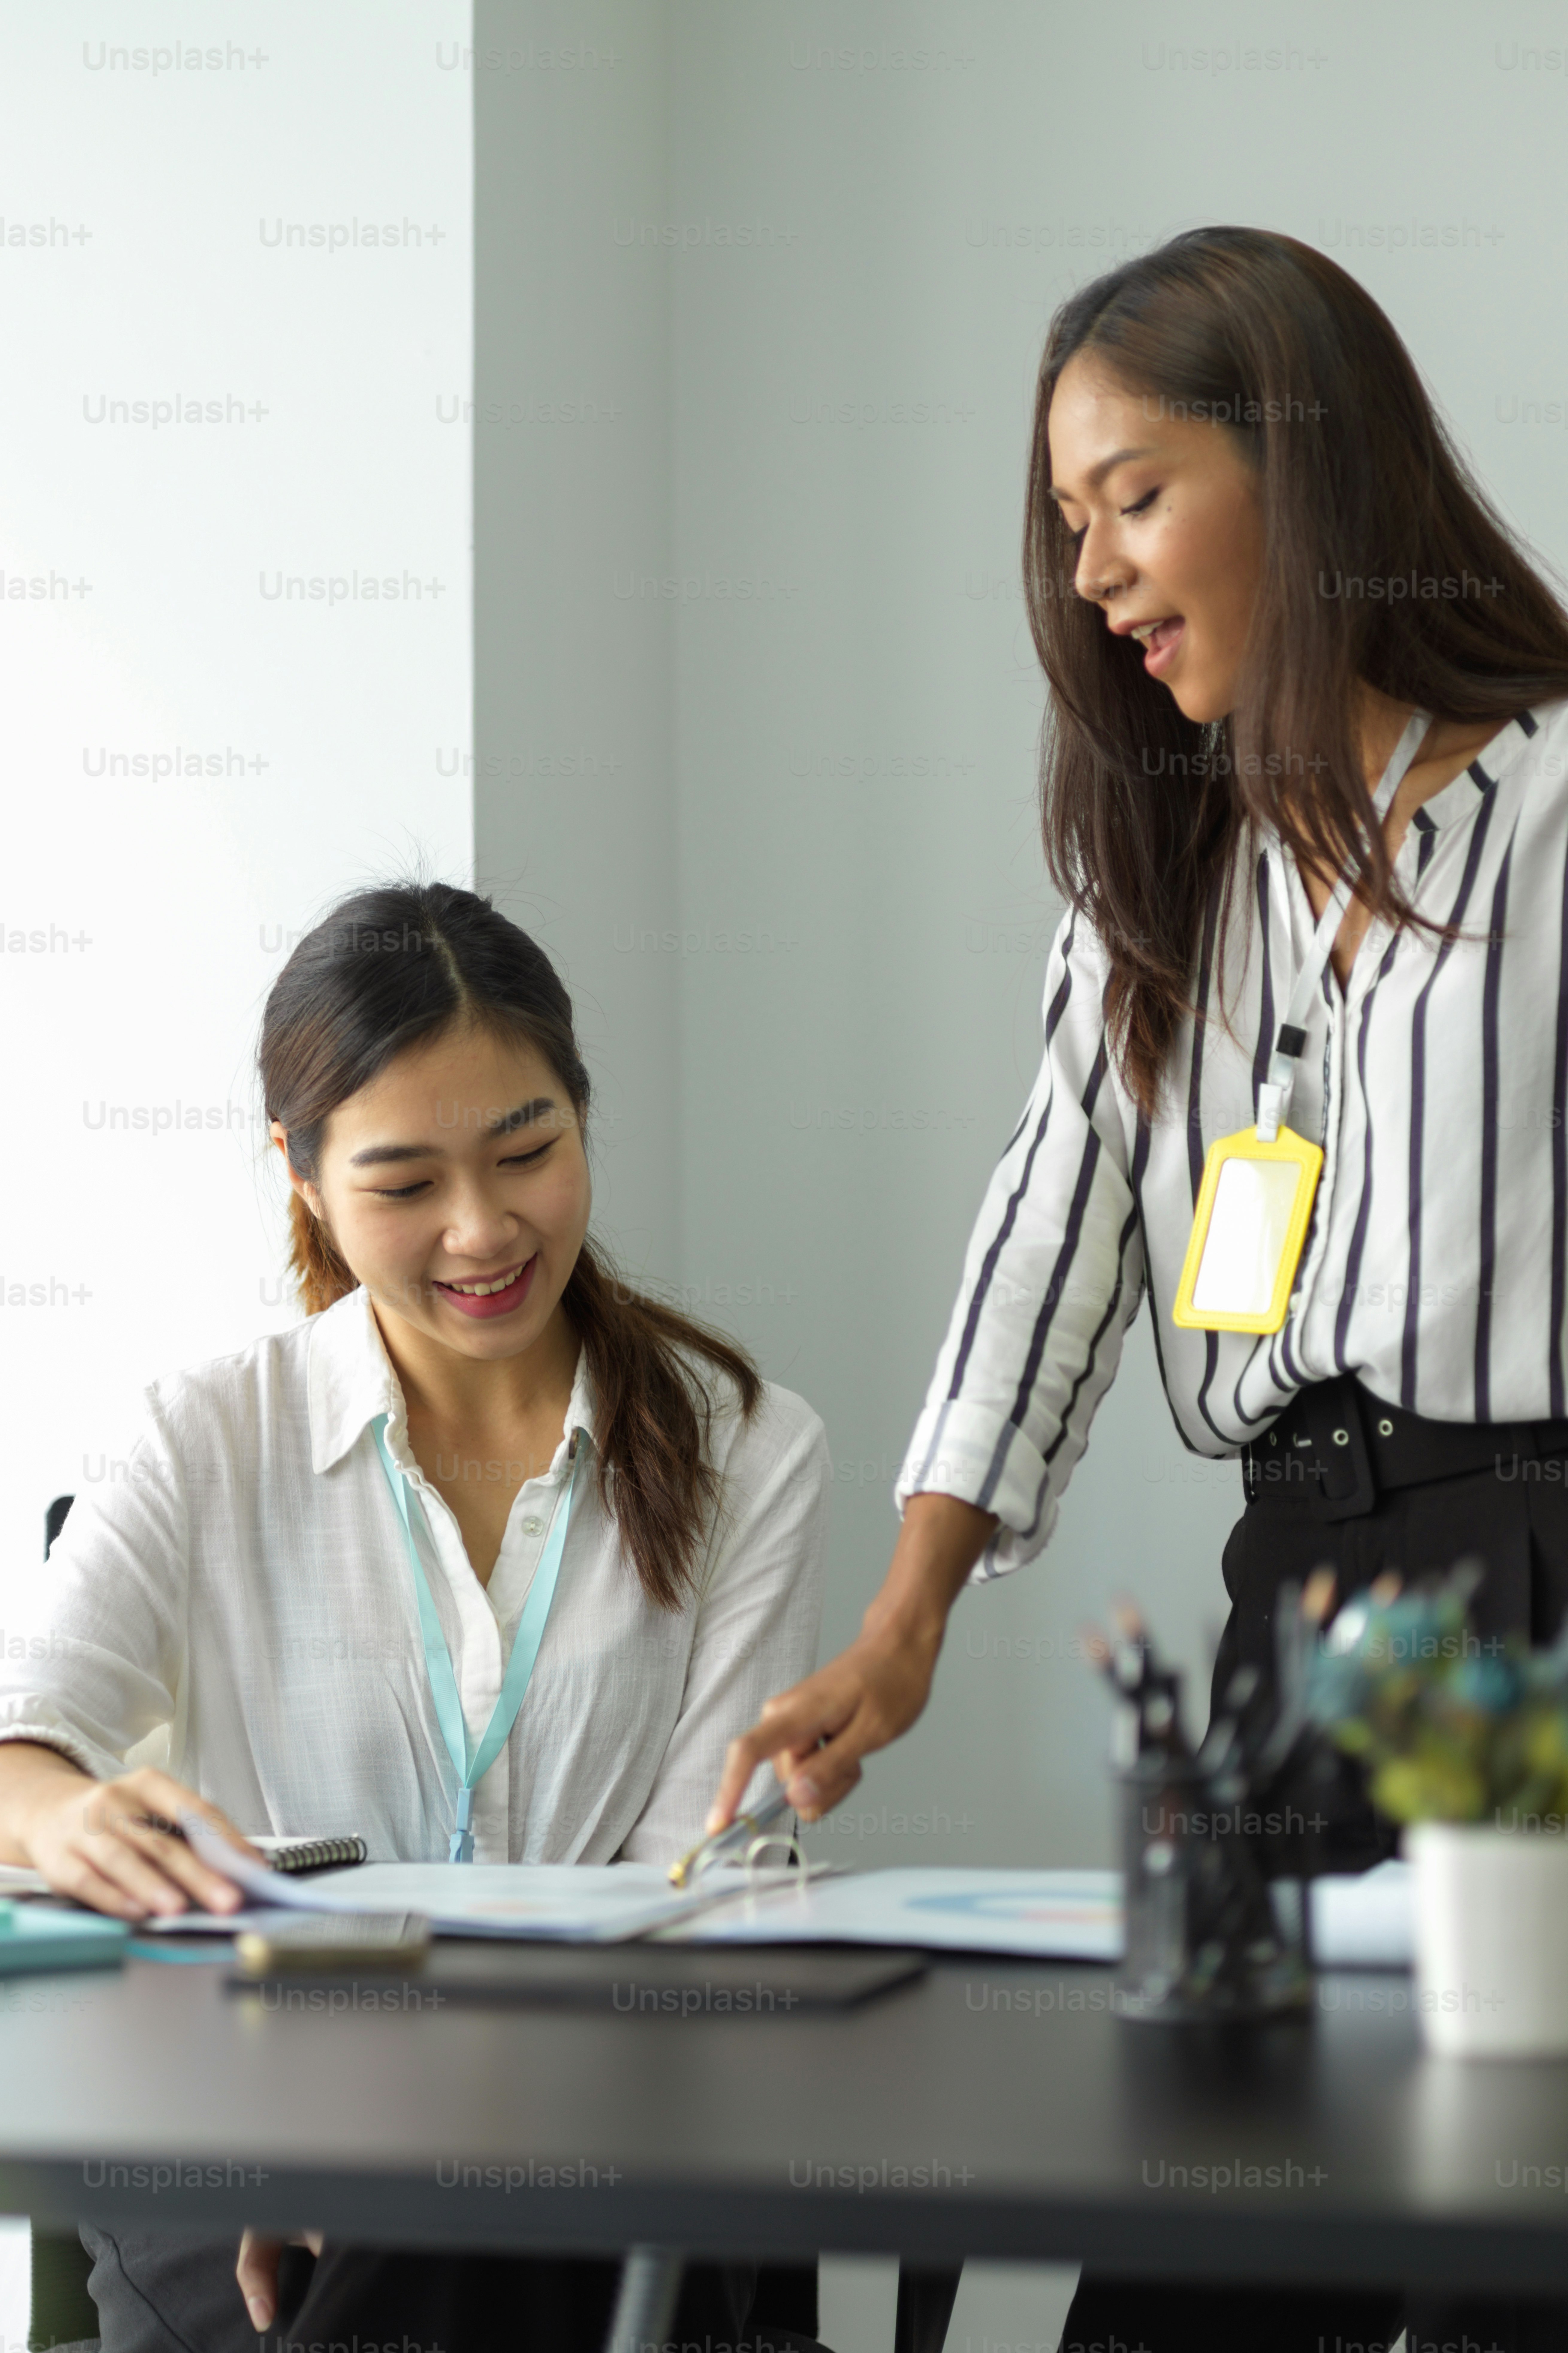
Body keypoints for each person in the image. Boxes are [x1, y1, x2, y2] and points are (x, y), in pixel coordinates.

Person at [709, 225, 1568, 2353]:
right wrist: (898, 1623)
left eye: (1131, 496)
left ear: (1307, 465)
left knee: (1506, 2246)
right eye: (1063, 521)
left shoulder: (1551, 804)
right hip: (1291, 1594)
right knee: (1194, 2253)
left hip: (1538, 1584)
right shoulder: (1158, 864)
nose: (1088, 573)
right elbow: (1048, 1228)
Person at [0, 881, 830, 2353]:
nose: (480, 1229)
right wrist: (66, 1820)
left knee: (468, 2222)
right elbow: (19, 1744)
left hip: (598, 2126)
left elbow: (690, 1893)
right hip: (236, 2125)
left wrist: (397, 2140)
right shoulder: (205, 1439)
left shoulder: (748, 1452)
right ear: (301, 1176)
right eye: (402, 1183)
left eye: (529, 1151)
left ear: (582, 1115)